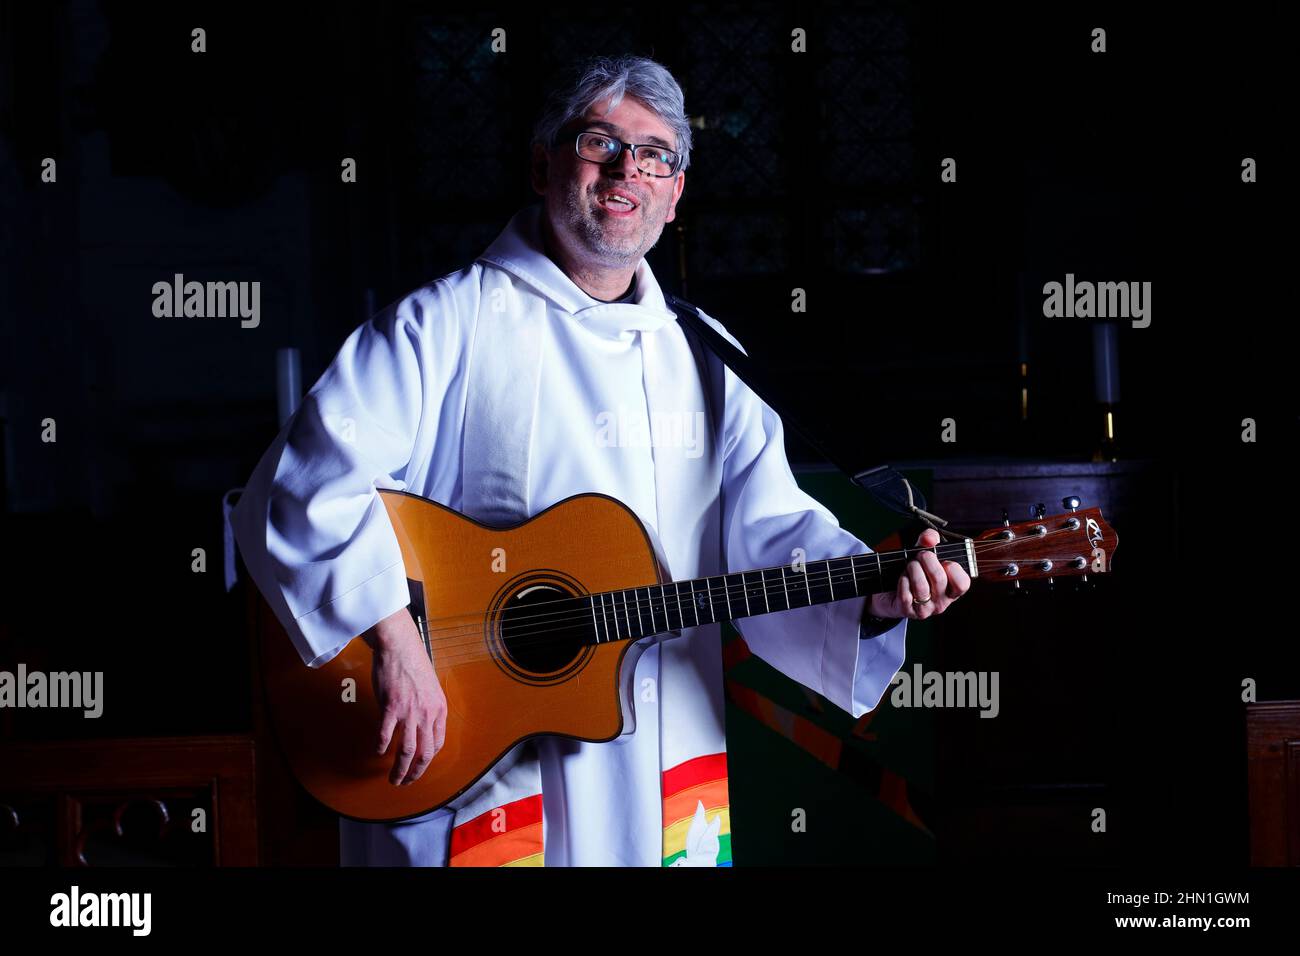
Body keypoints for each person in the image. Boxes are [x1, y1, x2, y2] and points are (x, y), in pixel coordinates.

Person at [231, 53, 969, 867]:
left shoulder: (709, 357)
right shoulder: (444, 326)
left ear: (677, 191)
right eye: (600, 143)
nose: (628, 171)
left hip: (660, 744)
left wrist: (873, 599)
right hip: (466, 747)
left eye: (657, 155)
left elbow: (774, 532)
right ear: (544, 161)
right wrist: (399, 645)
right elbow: (301, 488)